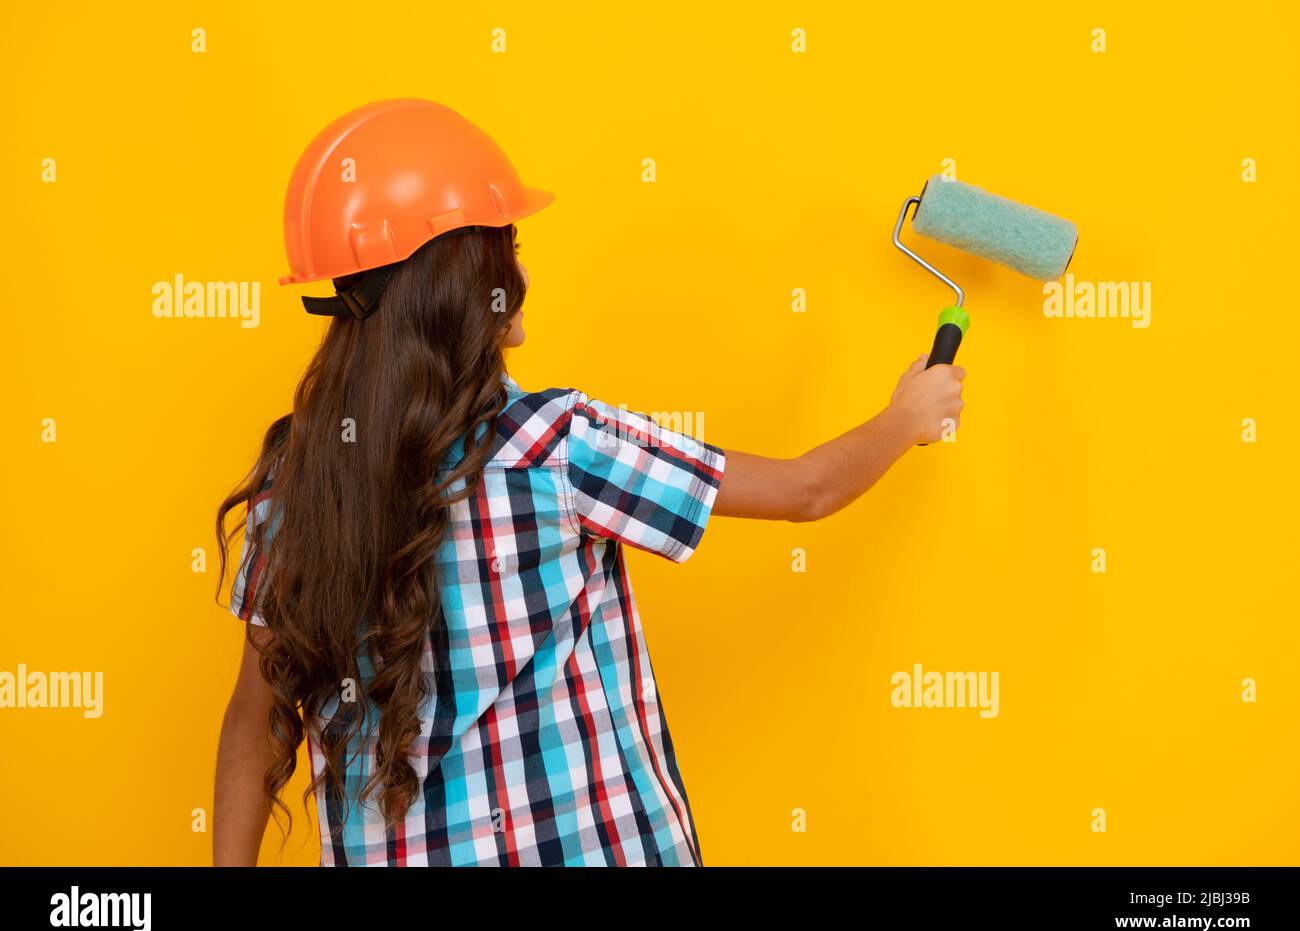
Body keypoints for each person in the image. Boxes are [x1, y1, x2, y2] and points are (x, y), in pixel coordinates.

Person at [214, 99, 964, 867]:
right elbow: (807, 489)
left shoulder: (295, 494)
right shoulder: (560, 449)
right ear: (465, 287)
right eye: (507, 247)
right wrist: (906, 418)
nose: (523, 270)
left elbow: (255, 726)